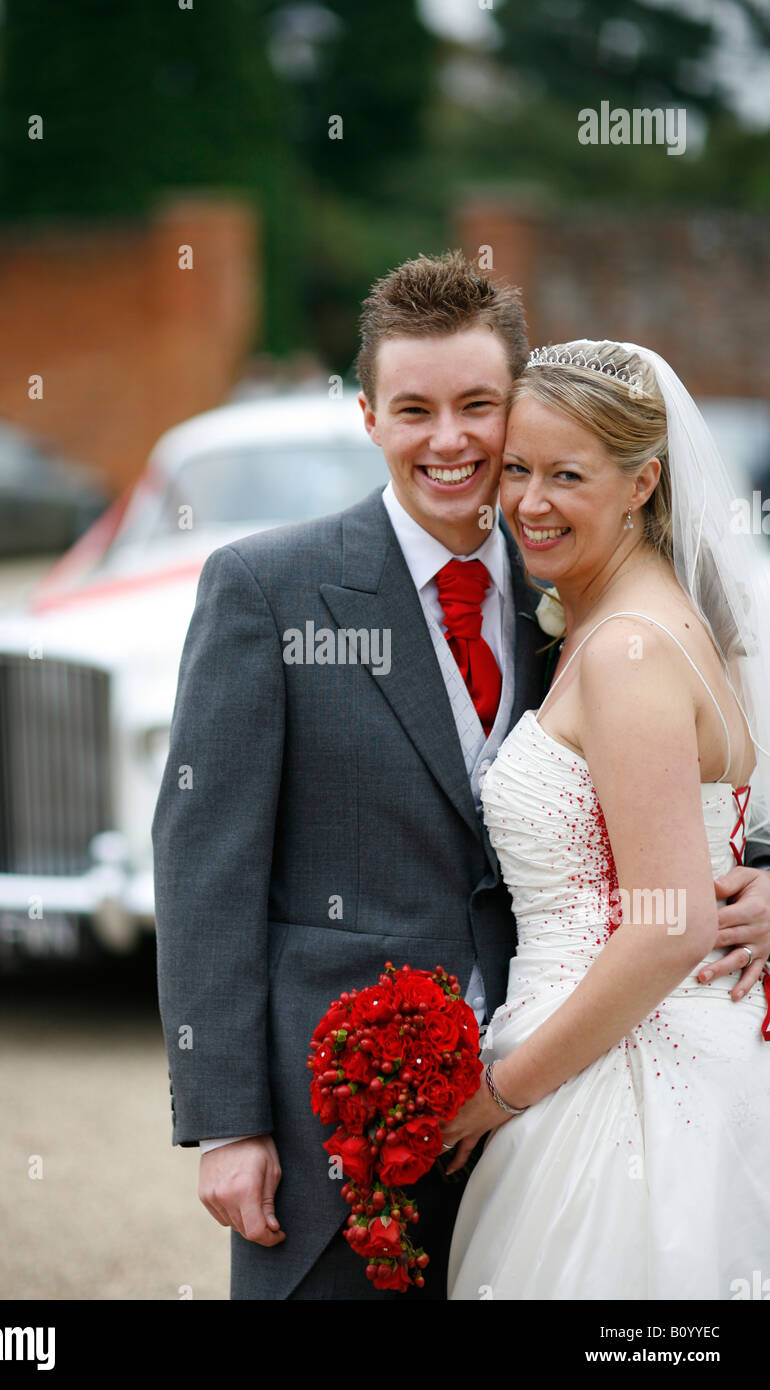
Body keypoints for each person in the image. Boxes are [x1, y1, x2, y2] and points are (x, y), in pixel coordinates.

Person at [152, 259, 770, 1301]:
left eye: (476, 406)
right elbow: (204, 868)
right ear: (367, 416)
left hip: (553, 1098)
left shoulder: (571, 588)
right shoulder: (266, 589)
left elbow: (699, 760)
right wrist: (228, 1120)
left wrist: (756, 871)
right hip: (347, 1128)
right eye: (413, 409)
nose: (449, 441)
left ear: (516, 408)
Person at [445, 339, 770, 1300]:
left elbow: (669, 927)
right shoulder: (616, 614)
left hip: (626, 1081)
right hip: (617, 1045)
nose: (529, 502)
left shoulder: (627, 649)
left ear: (643, 484)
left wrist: (495, 1097)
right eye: (516, 470)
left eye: (566, 475)